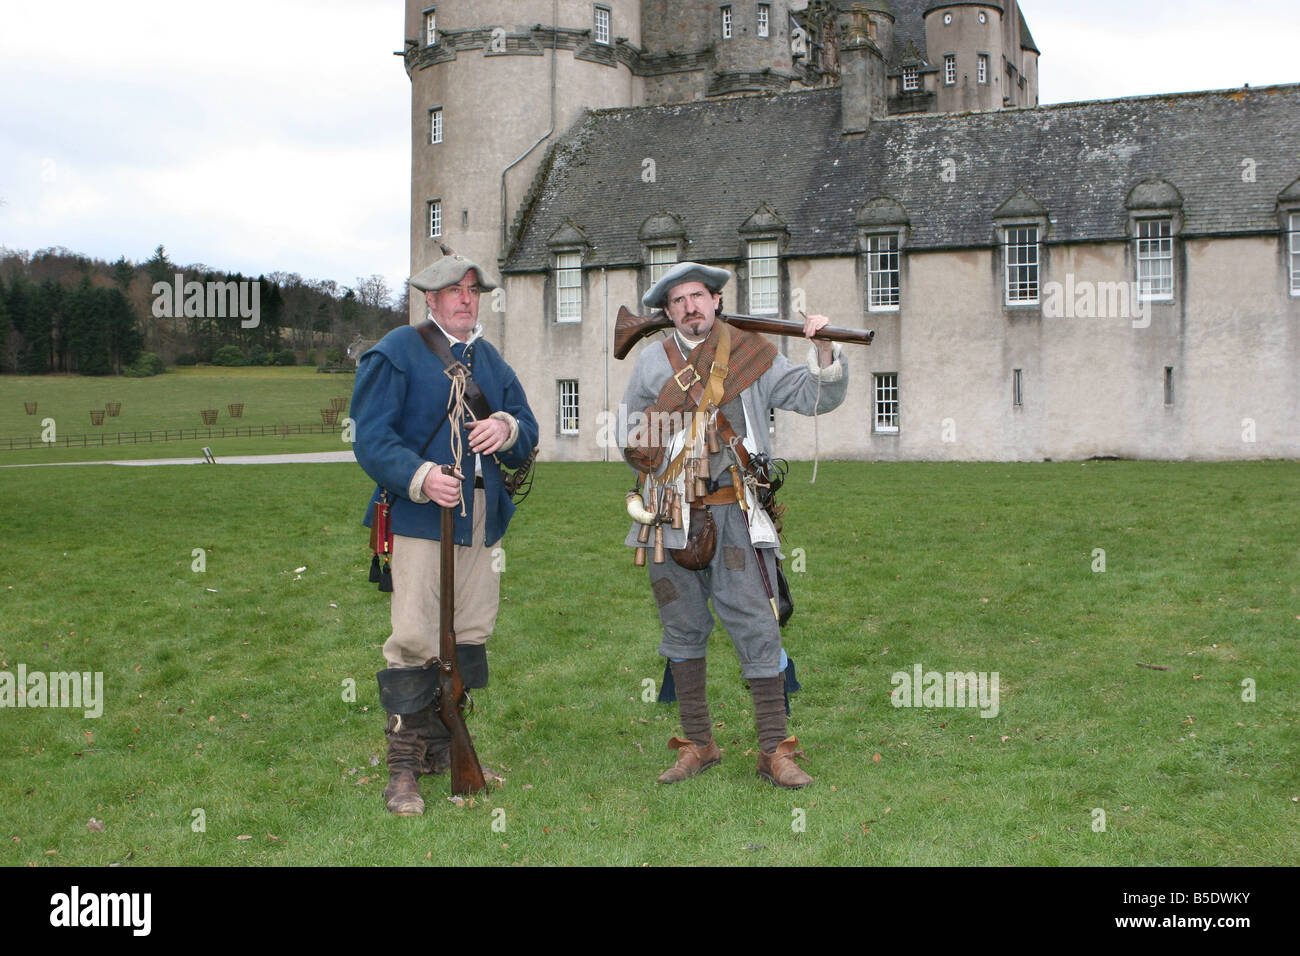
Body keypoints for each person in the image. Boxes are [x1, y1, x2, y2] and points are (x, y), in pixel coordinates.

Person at [621, 262, 847, 789]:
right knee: (681, 626)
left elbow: (817, 396)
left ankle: (775, 750)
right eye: (677, 301)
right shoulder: (652, 363)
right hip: (669, 513)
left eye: (697, 296)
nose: (689, 307)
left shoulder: (752, 353)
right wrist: (666, 437)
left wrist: (822, 350)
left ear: (716, 301)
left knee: (756, 623)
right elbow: (629, 438)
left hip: (737, 511)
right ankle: (698, 742)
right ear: (668, 311)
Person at [351, 254, 538, 816]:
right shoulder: (397, 352)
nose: (465, 299)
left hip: (479, 517)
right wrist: (423, 476)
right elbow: (370, 438)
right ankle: (404, 767)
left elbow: (527, 429)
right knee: (414, 636)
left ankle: (442, 746)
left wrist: (505, 427)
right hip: (419, 516)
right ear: (429, 300)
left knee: (467, 633)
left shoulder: (491, 361)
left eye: (472, 291)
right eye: (453, 291)